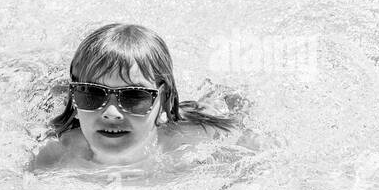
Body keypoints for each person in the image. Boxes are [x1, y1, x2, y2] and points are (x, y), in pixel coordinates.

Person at [32, 23, 236, 170]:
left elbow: (234, 103)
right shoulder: (56, 153)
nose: (111, 113)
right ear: (75, 101)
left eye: (134, 97)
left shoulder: (194, 140)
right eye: (91, 94)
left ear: (163, 102)